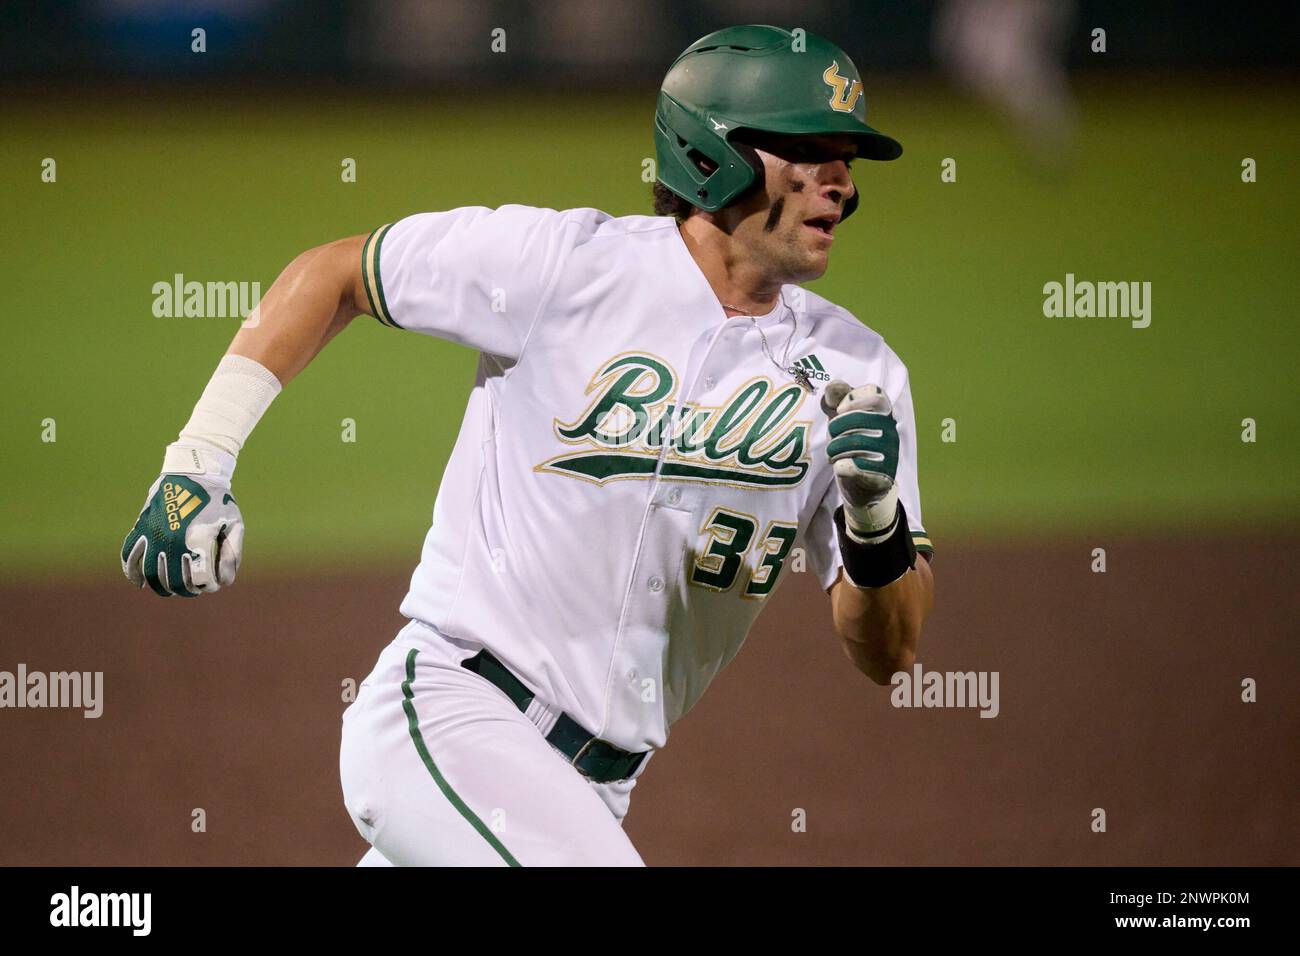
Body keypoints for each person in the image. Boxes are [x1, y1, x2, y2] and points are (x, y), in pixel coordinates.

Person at [120, 24, 935, 866]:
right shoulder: (566, 265)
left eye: (848, 158)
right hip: (449, 715)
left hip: (591, 791)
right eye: (811, 148)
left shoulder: (859, 373)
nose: (840, 182)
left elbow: (891, 652)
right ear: (709, 153)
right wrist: (199, 461)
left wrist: (874, 520)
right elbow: (336, 273)